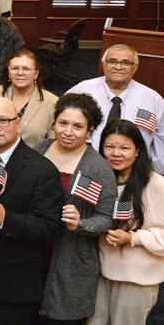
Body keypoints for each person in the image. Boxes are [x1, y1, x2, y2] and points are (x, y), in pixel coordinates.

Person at [0, 97, 63, 324]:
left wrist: (6, 219)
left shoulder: (42, 170)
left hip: (14, 285)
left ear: (17, 122)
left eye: (3, 120)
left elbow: (50, 227)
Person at [34, 93, 116, 323]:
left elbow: (105, 218)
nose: (68, 132)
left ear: (90, 131)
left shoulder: (98, 168)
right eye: (63, 123)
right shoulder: (41, 149)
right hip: (33, 251)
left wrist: (80, 223)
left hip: (70, 259)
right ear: (54, 123)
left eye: (78, 126)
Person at [90, 120, 164, 325]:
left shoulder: (155, 183)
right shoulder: (102, 180)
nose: (116, 153)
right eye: (109, 147)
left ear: (138, 150)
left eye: (124, 148)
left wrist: (133, 237)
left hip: (137, 280)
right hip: (102, 274)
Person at [67, 43, 164, 171]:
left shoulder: (153, 100)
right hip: (84, 167)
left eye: (126, 63)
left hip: (133, 171)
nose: (118, 67)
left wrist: (153, 175)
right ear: (104, 65)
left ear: (135, 67)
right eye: (112, 61)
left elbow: (161, 140)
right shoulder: (82, 90)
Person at [0, 49, 58, 148]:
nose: (20, 73)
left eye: (26, 69)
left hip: (34, 160)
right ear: (9, 73)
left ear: (36, 74)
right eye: (15, 68)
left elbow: (53, 144)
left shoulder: (52, 102)